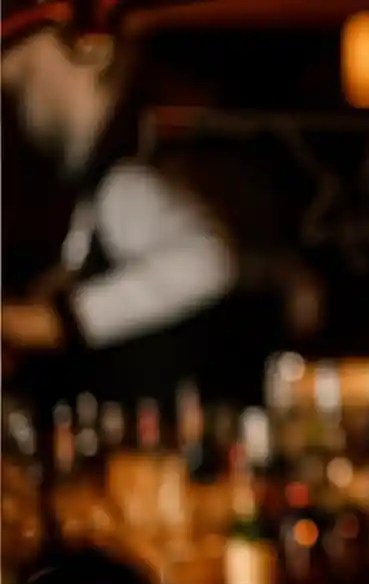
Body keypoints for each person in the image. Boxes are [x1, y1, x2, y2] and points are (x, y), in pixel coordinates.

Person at [1, 0, 269, 415]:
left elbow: (209, 258)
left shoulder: (125, 178)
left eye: (26, 67)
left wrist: (63, 320)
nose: (10, 77)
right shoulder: (92, 178)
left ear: (82, 55)